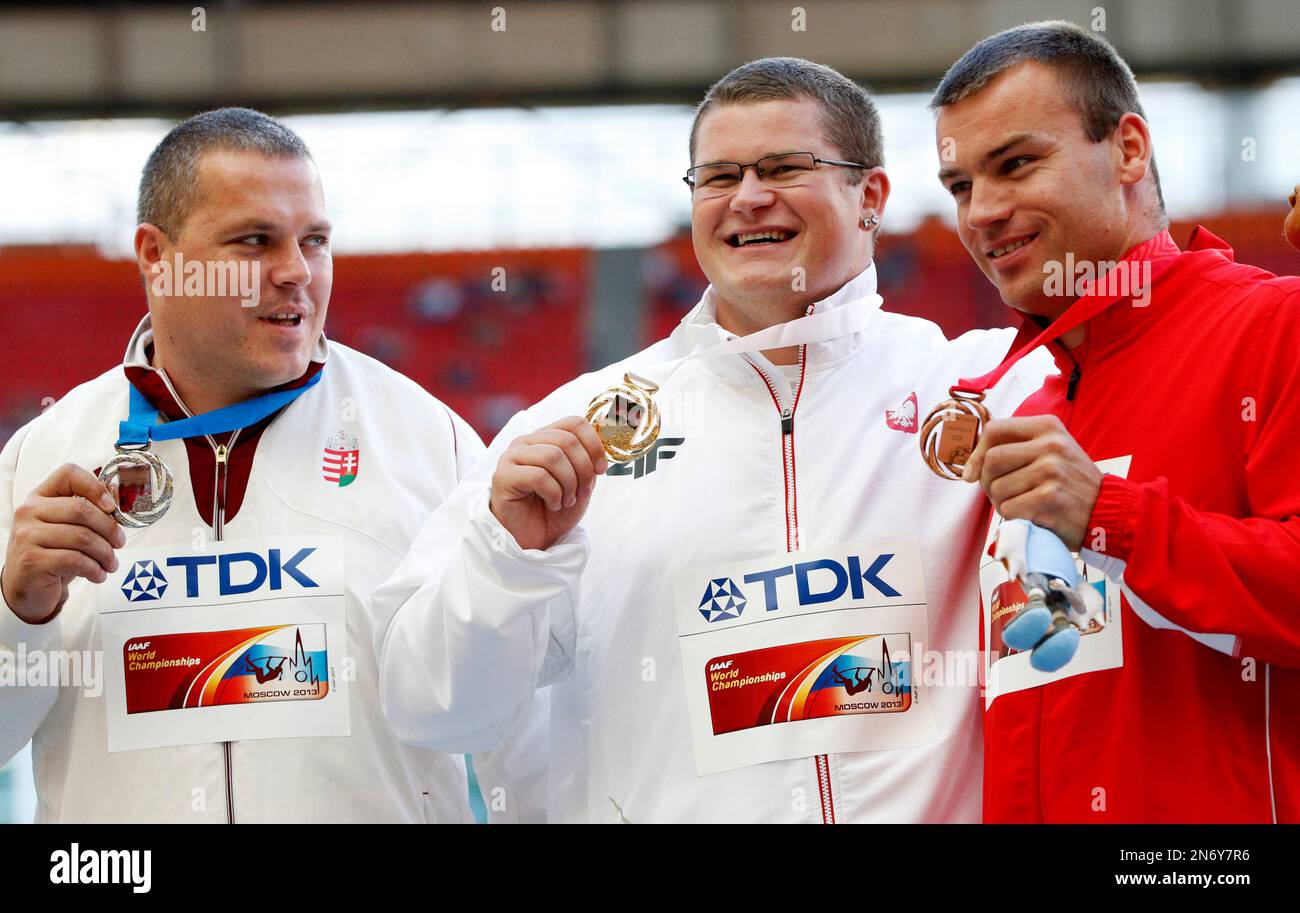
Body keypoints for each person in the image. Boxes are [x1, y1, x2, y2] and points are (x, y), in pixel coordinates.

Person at [371, 57, 1051, 823]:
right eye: (718, 176)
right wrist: (507, 559)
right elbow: (433, 708)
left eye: (785, 166)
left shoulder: (993, 386)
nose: (748, 196)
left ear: (872, 197)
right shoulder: (568, 432)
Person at [0, 108, 489, 822]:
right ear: (156, 256)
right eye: (255, 241)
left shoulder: (429, 444)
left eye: (314, 241)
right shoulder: (38, 461)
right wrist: (20, 611)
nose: (296, 272)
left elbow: (513, 715)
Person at [931, 20, 1300, 822]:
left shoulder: (1276, 327)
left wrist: (1113, 516)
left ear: (1129, 149)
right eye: (960, 187)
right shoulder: (1032, 404)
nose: (983, 211)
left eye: (1016, 164)